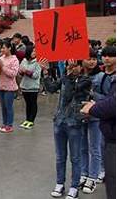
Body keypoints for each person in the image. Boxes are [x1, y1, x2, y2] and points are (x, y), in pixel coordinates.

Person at [42, 59, 92, 199]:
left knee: (75, 157)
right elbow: (51, 88)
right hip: (59, 121)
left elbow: (70, 93)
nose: (73, 67)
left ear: (81, 67)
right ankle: (59, 183)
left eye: (76, 65)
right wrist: (45, 72)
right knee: (60, 156)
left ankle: (74, 186)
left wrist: (68, 74)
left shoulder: (85, 80)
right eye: (72, 64)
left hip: (74, 123)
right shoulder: (65, 78)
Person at [81, 66, 115, 199]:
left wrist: (94, 106)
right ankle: (84, 173)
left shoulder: (103, 77)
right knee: (83, 147)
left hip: (101, 121)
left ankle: (93, 176)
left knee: (95, 148)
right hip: (82, 116)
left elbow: (110, 101)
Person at [0, 41, 19, 133]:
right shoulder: (0, 58)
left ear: (9, 48)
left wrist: (3, 68)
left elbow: (13, 74)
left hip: (10, 87)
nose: (2, 50)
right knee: (3, 106)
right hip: (1, 85)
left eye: (4, 48)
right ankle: (4, 124)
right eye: (2, 48)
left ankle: (9, 125)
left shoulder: (14, 60)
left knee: (9, 106)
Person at [18, 45, 41, 129]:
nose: (34, 53)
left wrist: (26, 71)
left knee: (33, 103)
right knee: (28, 104)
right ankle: (27, 119)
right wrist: (20, 72)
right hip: (24, 86)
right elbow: (19, 74)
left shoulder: (38, 62)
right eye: (33, 51)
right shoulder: (24, 61)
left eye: (35, 51)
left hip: (33, 87)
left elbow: (36, 75)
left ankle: (31, 120)